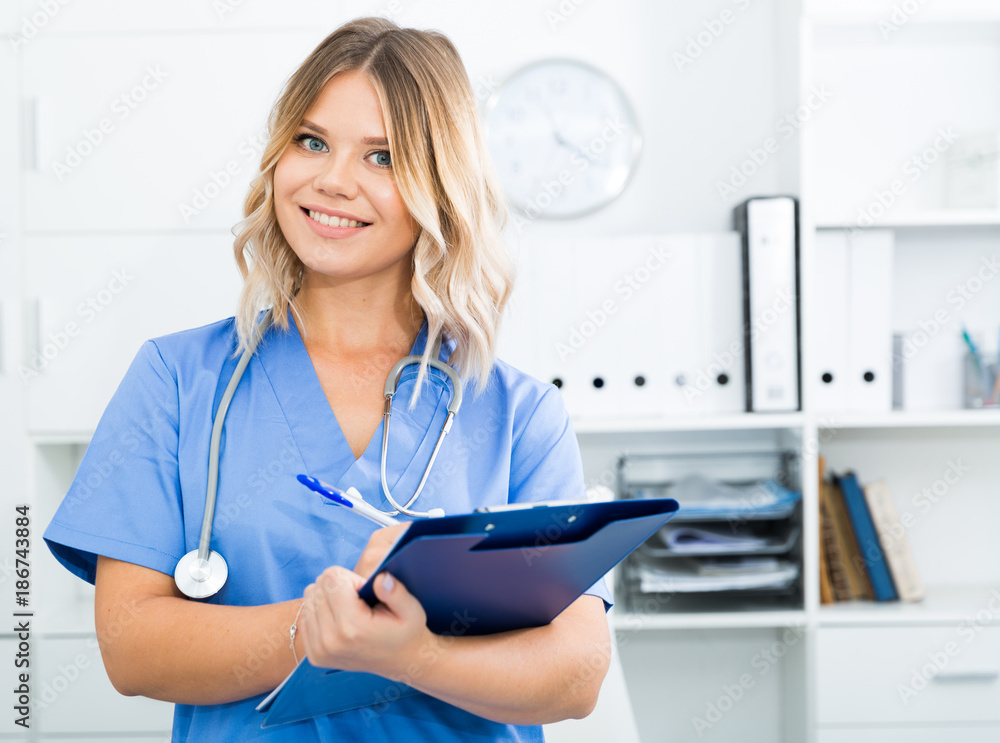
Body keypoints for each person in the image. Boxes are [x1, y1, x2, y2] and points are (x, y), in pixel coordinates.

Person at [43, 16, 611, 742]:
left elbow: (576, 671)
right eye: (311, 142)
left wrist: (417, 652)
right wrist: (322, 627)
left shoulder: (518, 413)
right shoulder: (178, 381)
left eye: (382, 156)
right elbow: (131, 647)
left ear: (441, 185)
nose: (332, 180)